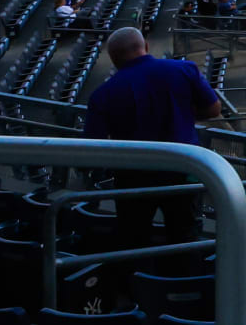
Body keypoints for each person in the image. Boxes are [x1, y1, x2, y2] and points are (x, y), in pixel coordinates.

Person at [83, 28, 220, 252]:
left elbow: (93, 144)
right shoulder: (184, 69)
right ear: (145, 45)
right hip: (183, 167)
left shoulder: (102, 94)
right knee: (184, 234)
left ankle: (137, 281)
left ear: (114, 58)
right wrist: (182, 113)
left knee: (133, 236)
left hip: (132, 175)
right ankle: (181, 281)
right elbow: (214, 109)